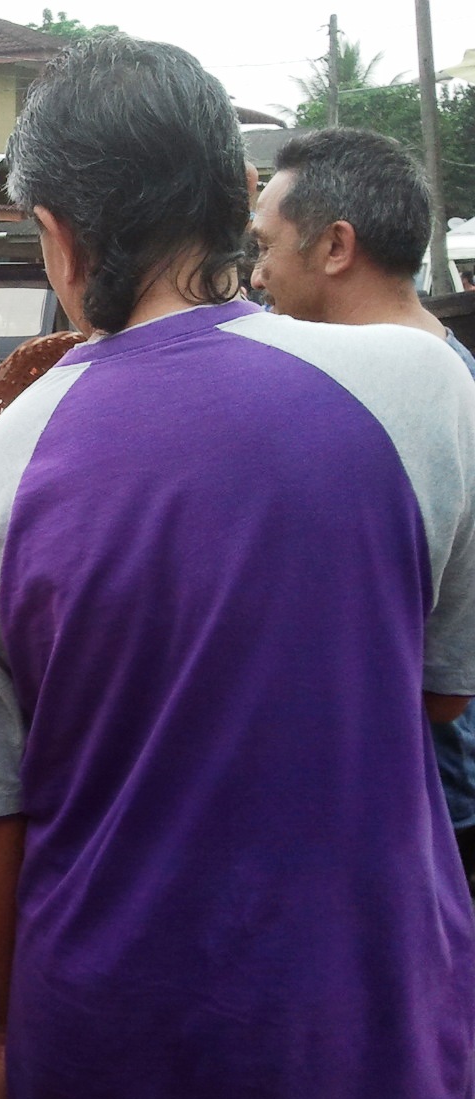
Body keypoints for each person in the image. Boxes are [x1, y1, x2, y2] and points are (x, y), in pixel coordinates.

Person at [0, 35, 475, 1099]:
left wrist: (11, 1036)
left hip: (115, 1062)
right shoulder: (424, 392)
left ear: (59, 237)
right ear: (227, 200)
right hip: (362, 1042)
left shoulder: (0, 469)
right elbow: (436, 690)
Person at [251, 126, 475, 879]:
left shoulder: (417, 401)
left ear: (335, 247)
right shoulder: (447, 375)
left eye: (266, 246)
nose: (256, 275)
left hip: (417, 804)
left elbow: (444, 691)